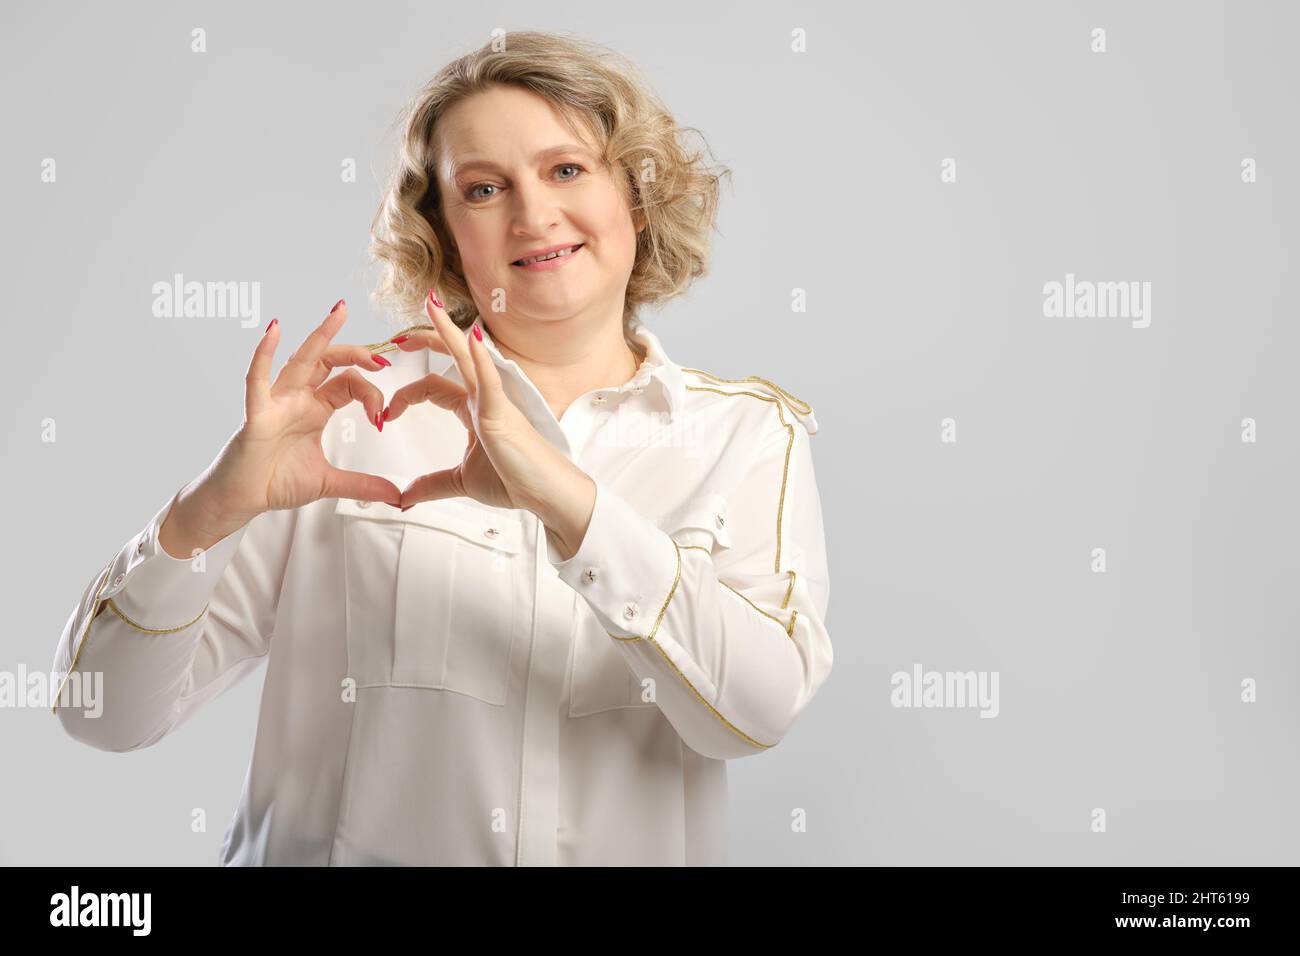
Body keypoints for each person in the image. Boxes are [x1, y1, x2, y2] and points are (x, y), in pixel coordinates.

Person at [50, 30, 833, 866]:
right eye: (484, 188)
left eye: (566, 169)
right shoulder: (343, 415)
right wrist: (209, 510)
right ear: (445, 232)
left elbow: (756, 715)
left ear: (635, 196)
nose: (533, 215)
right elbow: (103, 716)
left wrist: (572, 507)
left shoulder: (747, 436)